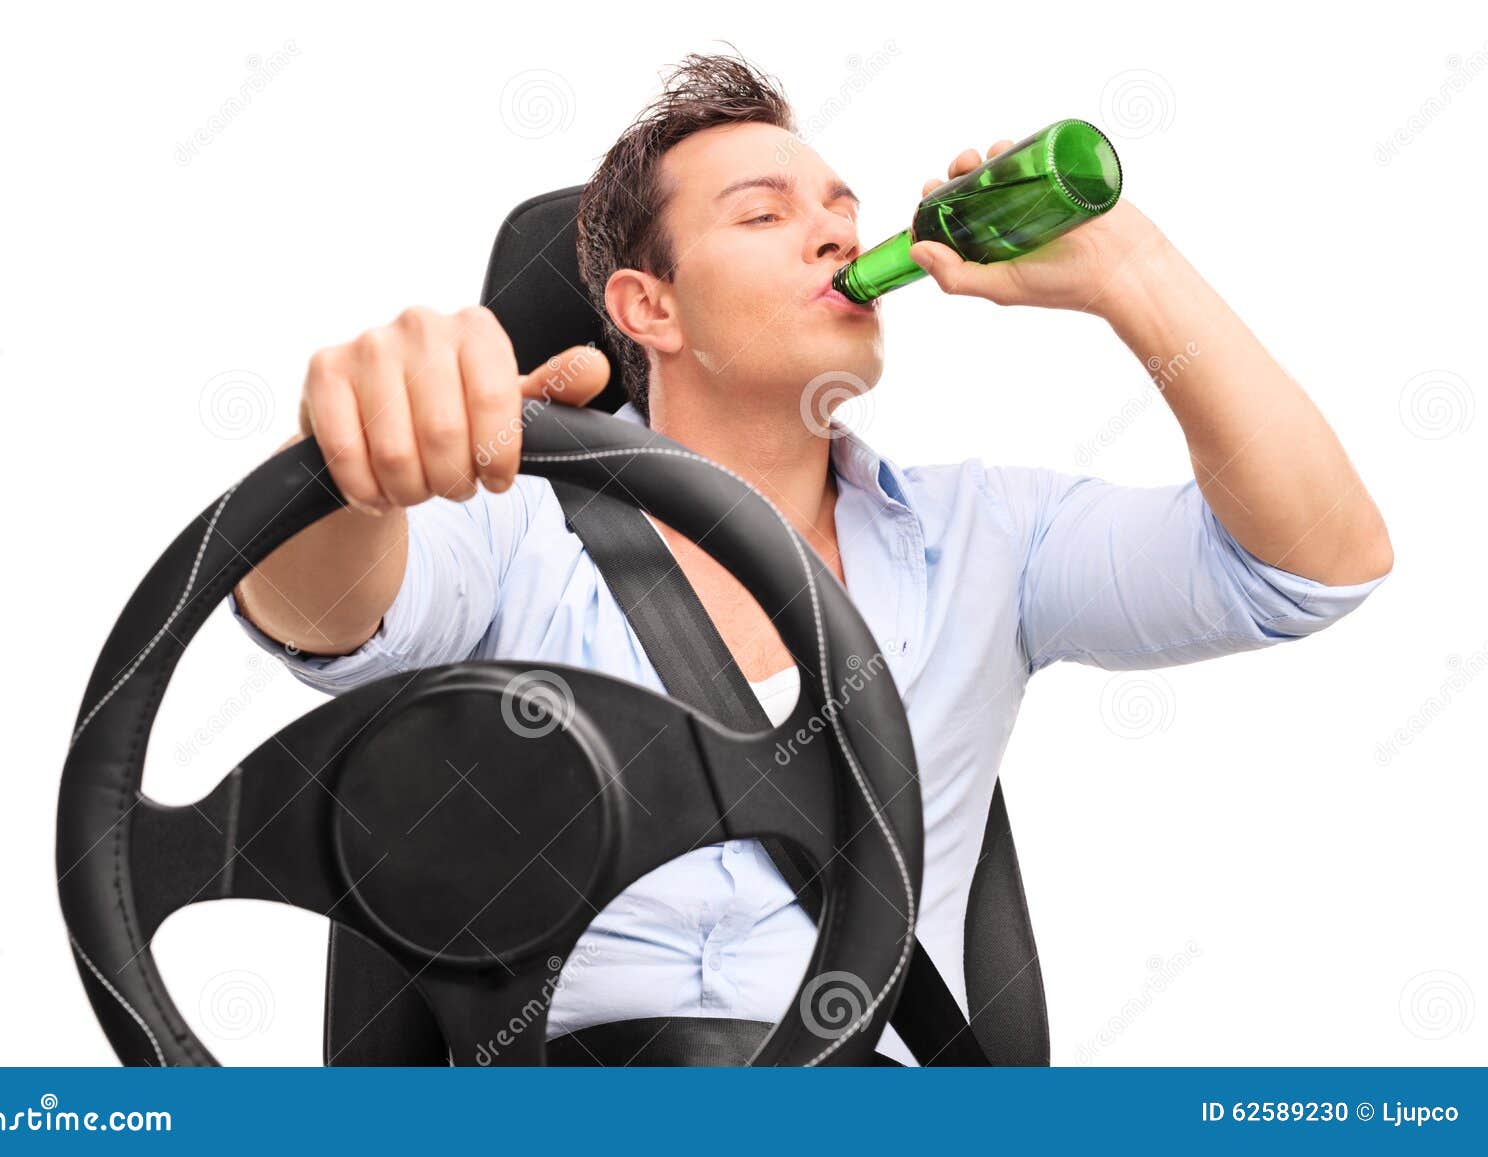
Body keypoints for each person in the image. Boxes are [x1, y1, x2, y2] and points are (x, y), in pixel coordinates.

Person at [229, 50, 1392, 1065]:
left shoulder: (986, 537)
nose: (839, 230)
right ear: (649, 307)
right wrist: (355, 457)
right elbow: (326, 609)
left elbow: (1310, 565)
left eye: (841, 206)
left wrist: (1132, 272)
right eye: (763, 213)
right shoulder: (512, 522)